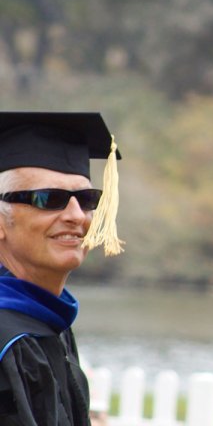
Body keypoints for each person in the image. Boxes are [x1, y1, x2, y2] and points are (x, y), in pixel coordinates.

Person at [0, 112, 121, 425]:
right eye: (49, 199)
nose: (76, 215)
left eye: (86, 199)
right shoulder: (8, 338)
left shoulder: (51, 323)